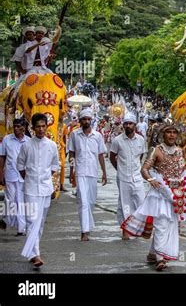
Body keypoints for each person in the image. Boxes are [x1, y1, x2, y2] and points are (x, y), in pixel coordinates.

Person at [121, 118, 186, 271]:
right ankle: (160, 258)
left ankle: (153, 254)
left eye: (174, 132)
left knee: (171, 224)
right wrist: (152, 180)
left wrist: (184, 188)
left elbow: (182, 171)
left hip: (176, 193)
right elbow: (144, 169)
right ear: (162, 134)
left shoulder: (179, 151)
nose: (171, 135)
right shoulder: (156, 150)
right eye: (168, 132)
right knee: (161, 225)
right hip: (159, 193)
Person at [16, 113, 59, 267]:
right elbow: (20, 165)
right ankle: (35, 255)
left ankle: (32, 252)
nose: (41, 129)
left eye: (43, 126)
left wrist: (45, 178)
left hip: (46, 189)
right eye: (38, 126)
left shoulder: (52, 145)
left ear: (46, 127)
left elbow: (55, 166)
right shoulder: (26, 145)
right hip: (30, 189)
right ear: (32, 128)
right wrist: (30, 178)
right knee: (32, 220)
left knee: (39, 223)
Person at [68, 108, 107, 241]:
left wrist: (104, 173)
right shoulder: (74, 135)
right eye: (84, 119)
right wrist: (71, 172)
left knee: (90, 202)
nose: (86, 121)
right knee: (83, 202)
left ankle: (88, 227)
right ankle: (84, 231)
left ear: (91, 120)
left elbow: (101, 155)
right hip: (80, 172)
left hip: (93, 172)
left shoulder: (97, 136)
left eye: (88, 119)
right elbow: (72, 153)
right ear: (80, 121)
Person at [109, 113, 146, 240]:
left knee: (141, 201)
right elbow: (112, 157)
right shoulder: (117, 140)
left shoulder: (141, 140)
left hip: (137, 177)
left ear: (135, 125)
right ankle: (126, 230)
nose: (128, 126)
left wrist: (137, 168)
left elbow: (140, 156)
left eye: (130, 123)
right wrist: (119, 169)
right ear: (123, 125)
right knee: (125, 204)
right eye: (126, 123)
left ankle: (137, 227)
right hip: (123, 177)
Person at [0, 119, 30, 235]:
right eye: (15, 126)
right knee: (10, 200)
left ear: (24, 127)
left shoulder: (28, 141)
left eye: (18, 126)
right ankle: (7, 219)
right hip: (10, 174)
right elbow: (2, 157)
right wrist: (1, 173)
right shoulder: (7, 139)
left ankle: (21, 228)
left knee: (21, 201)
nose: (16, 128)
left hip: (23, 175)